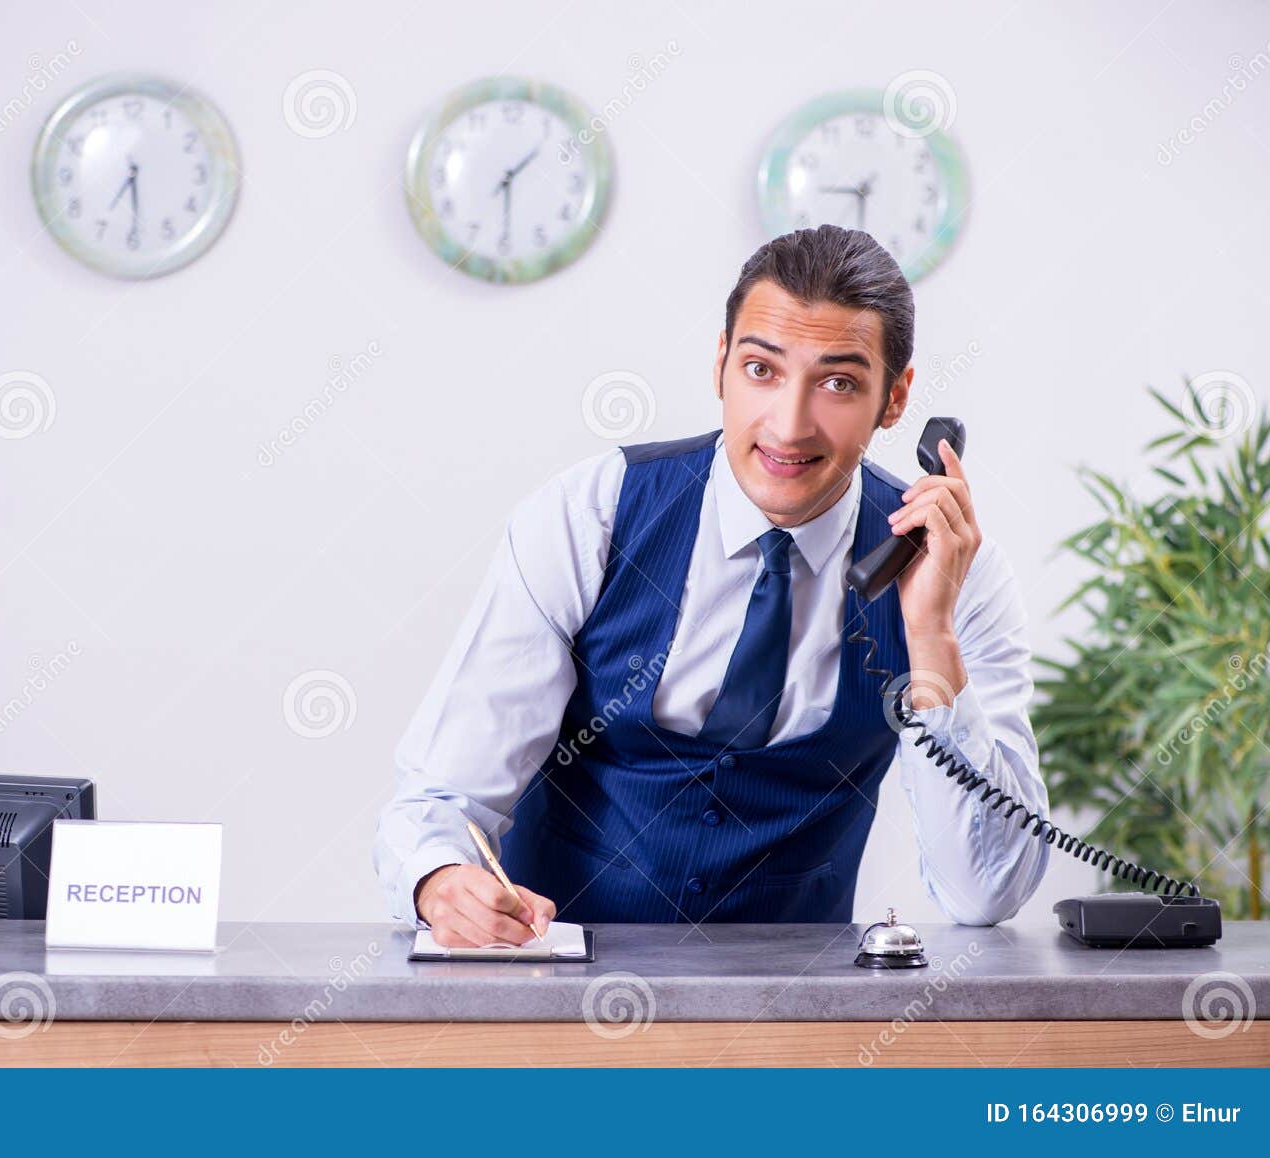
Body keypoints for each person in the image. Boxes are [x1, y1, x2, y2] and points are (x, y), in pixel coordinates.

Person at [374, 224, 1049, 947]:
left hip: (795, 1020)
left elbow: (987, 892)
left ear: (895, 399)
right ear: (722, 363)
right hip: (555, 999)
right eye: (762, 371)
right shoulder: (591, 517)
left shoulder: (955, 574)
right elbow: (442, 799)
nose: (788, 427)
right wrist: (440, 880)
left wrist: (930, 638)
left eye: (838, 383)